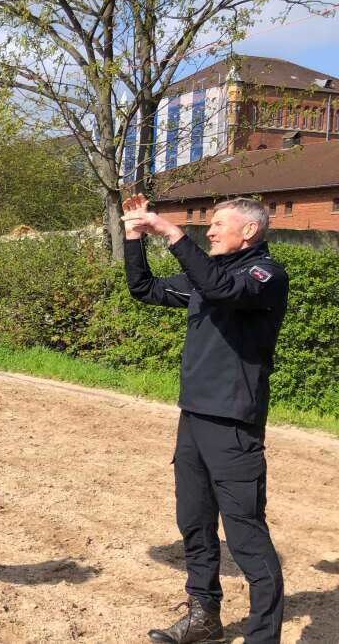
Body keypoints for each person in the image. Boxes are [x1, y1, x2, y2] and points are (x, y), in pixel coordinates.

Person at [121, 195, 289, 644]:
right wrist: (135, 236)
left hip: (233, 423)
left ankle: (263, 637)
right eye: (207, 226)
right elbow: (145, 289)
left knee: (246, 534)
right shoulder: (207, 277)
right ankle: (204, 617)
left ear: (248, 231)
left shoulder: (264, 275)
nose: (209, 231)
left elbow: (222, 290)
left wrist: (174, 233)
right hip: (193, 418)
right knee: (194, 522)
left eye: (217, 224)